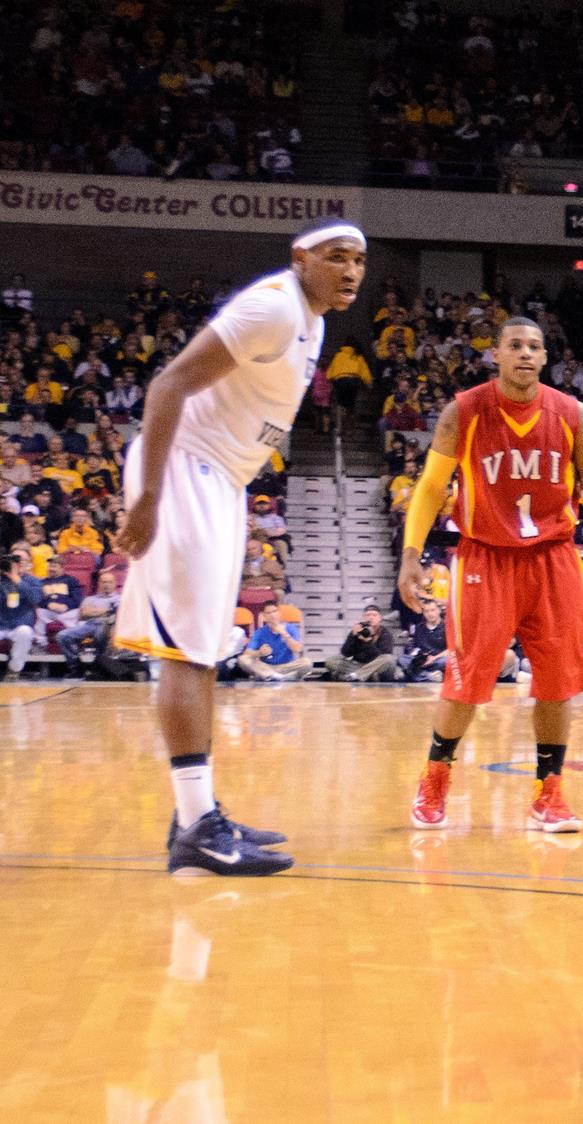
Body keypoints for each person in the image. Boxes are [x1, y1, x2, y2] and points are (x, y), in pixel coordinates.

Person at [112, 219, 367, 876]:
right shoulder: (273, 306)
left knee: (204, 650)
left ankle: (196, 815)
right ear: (300, 257)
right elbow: (168, 384)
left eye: (359, 261)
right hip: (185, 469)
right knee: (187, 651)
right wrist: (149, 497)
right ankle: (197, 829)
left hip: (221, 479)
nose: (351, 271)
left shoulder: (312, 322)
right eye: (337, 257)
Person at [399, 318, 583, 833]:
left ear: (545, 357)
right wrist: (411, 554)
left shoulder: (573, 415)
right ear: (496, 355)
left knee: (556, 682)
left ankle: (548, 792)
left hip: (553, 557)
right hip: (484, 556)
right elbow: (431, 487)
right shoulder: (465, 411)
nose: (526, 354)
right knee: (466, 678)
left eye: (535, 346)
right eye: (515, 345)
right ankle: (435, 777)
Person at [0, 547, 44, 679]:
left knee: (25, 632)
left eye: (19, 560)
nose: (16, 563)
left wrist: (17, 579)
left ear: (28, 563)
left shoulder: (32, 581)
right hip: (1, 625)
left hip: (20, 625)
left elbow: (36, 598)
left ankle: (14, 670)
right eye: (13, 559)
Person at [325, 605, 397, 681]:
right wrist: (353, 636)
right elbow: (345, 653)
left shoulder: (385, 633)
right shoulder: (359, 630)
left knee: (389, 659)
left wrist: (367, 642)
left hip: (376, 665)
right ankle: (368, 676)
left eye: (374, 615)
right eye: (368, 615)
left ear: (380, 618)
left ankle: (355, 676)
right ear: (364, 617)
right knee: (331, 661)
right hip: (357, 665)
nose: (371, 617)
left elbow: (381, 656)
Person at [239, 603, 308, 681]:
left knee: (306, 663)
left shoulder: (291, 628)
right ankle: (276, 676)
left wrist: (284, 634)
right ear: (264, 616)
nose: (272, 615)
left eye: (274, 611)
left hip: (287, 666)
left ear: (279, 613)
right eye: (268, 613)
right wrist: (259, 653)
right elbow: (247, 652)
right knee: (243, 659)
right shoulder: (260, 632)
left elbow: (297, 649)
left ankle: (271, 676)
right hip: (266, 666)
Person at [400, 599, 448, 682]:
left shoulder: (447, 627)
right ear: (423, 613)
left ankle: (418, 674)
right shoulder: (419, 627)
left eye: (432, 610)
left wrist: (434, 658)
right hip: (422, 660)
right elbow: (415, 648)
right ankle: (429, 676)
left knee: (447, 660)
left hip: (438, 659)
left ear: (439, 611)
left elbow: (451, 649)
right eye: (426, 611)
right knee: (402, 659)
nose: (430, 614)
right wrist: (421, 659)